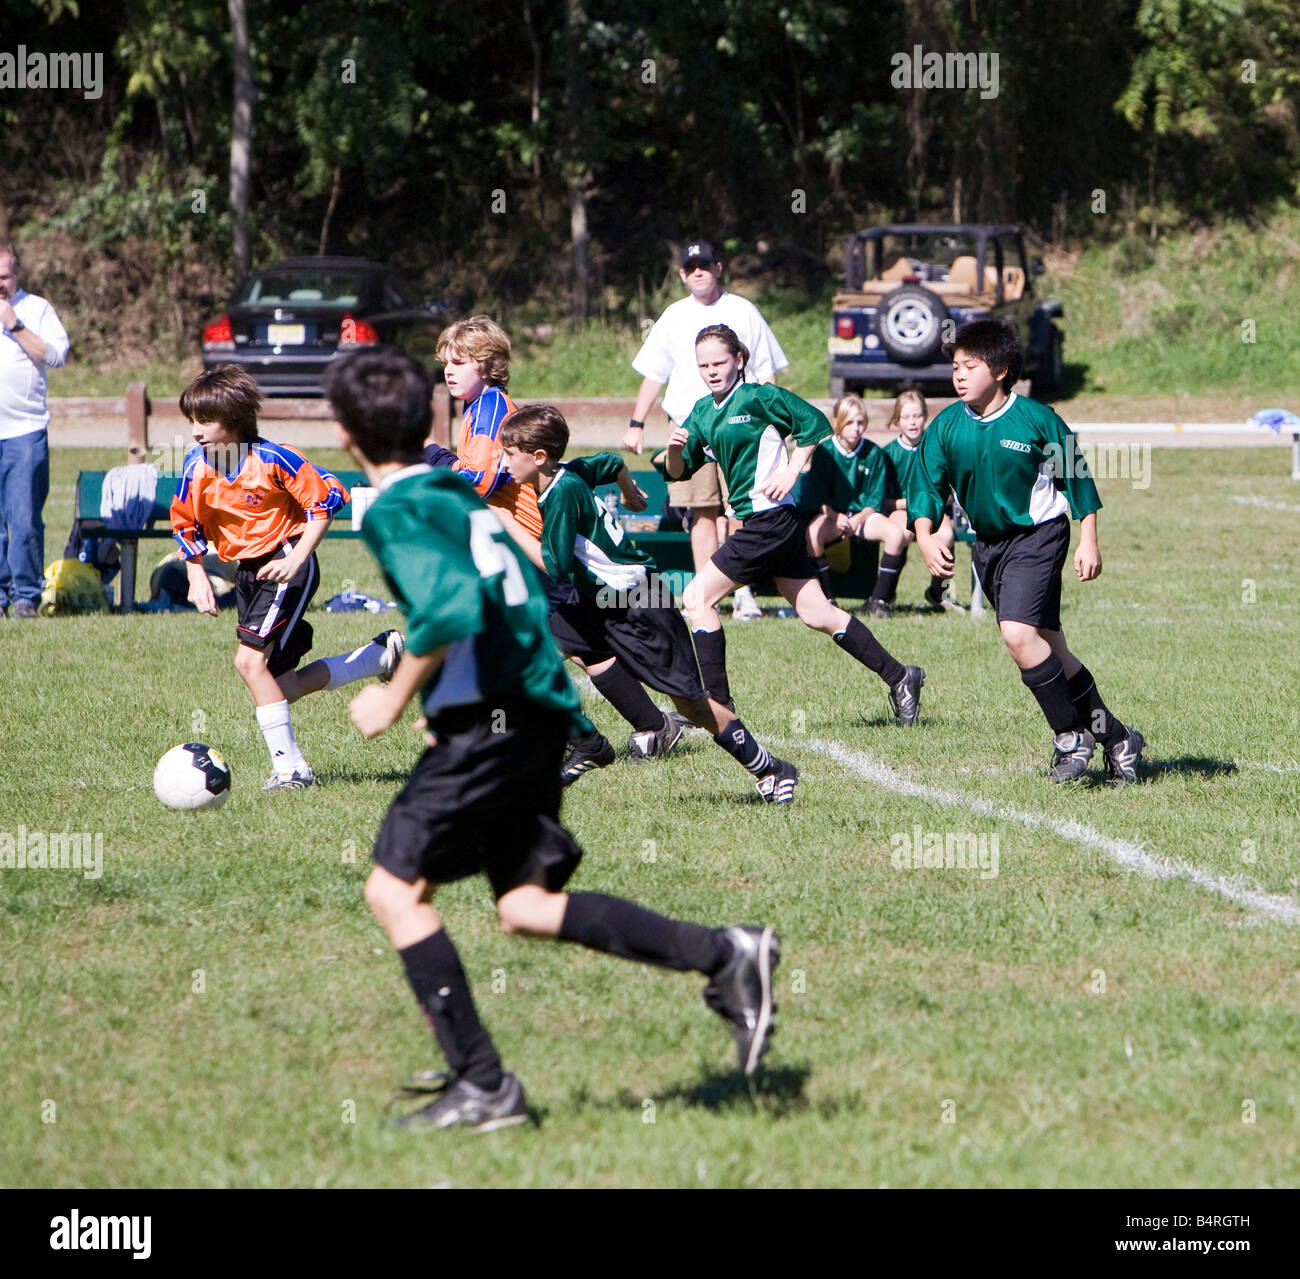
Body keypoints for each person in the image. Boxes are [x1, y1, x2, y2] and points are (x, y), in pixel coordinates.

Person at [324, 346, 781, 1132]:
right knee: (527, 904)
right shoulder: (452, 490)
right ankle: (727, 954)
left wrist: (396, 697)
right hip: (533, 711)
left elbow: (453, 606)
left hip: (494, 722)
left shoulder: (401, 505)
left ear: (343, 432)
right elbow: (511, 597)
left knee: (392, 891)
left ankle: (484, 1084)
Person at [500, 403, 799, 803]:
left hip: (640, 603)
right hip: (597, 599)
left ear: (538, 458)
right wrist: (629, 490)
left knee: (692, 704)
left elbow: (553, 566)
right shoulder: (567, 472)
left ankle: (771, 768)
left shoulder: (561, 493)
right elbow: (609, 462)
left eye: (508, 453)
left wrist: (505, 523)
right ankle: (587, 743)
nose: (503, 461)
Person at [433, 315, 678, 778]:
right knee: (582, 646)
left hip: (531, 549)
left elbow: (479, 483)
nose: (449, 369)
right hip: (523, 544)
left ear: (487, 365)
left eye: (459, 361)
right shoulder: (476, 408)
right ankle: (652, 725)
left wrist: (435, 462)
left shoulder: (488, 410)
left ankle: (576, 741)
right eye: (446, 361)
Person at [909, 318, 1144, 783]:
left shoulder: (1037, 420)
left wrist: (1088, 539)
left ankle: (1069, 737)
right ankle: (1117, 738)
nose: (958, 375)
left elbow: (1077, 479)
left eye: (969, 366)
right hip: (988, 547)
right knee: (1049, 645)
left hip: (1039, 537)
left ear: (998, 370)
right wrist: (925, 534)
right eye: (954, 366)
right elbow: (926, 488)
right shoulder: (947, 426)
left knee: (1018, 634)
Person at [657, 324, 925, 726]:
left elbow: (816, 424)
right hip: (762, 525)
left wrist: (792, 472)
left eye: (719, 362)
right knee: (818, 613)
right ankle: (902, 677)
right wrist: (674, 452)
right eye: (703, 365)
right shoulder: (701, 412)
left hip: (771, 521)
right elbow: (678, 471)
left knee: (697, 599)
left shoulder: (761, 397)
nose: (711, 371)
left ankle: (717, 705)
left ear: (739, 360)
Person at [170, 365, 404, 790]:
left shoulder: (274, 459)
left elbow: (325, 503)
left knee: (249, 663)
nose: (195, 432)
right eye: (191, 421)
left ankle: (290, 771)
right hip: (247, 572)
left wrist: (297, 556)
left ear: (236, 421)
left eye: (205, 421)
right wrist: (196, 575)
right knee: (279, 685)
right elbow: (186, 524)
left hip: (285, 563)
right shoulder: (196, 467)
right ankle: (379, 656)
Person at [626, 240, 787, 621]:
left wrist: (775, 418)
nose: (697, 272)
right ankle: (704, 592)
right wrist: (636, 422)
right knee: (702, 510)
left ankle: (744, 593)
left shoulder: (742, 311)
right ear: (682, 274)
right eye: (690, 267)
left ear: (718, 268)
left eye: (704, 265)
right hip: (689, 425)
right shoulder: (673, 316)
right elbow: (654, 374)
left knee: (738, 508)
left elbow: (766, 370)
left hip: (740, 425)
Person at [0, 243, 70, 619]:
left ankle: (25, 597)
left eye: (4, 276)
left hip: (24, 432)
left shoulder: (36, 309)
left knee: (24, 520)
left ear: (17, 274)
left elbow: (58, 356)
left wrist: (14, 324)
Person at [800, 394, 912, 618]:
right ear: (836, 423)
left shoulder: (873, 453)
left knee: (896, 534)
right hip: (833, 516)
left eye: (861, 422)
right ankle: (827, 600)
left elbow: (874, 501)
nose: (856, 428)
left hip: (863, 516)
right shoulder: (824, 452)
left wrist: (856, 519)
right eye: (849, 422)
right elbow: (820, 498)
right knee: (812, 534)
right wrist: (835, 516)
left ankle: (879, 601)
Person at [880, 390, 962, 614]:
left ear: (926, 417)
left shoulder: (936, 449)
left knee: (946, 535)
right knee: (901, 534)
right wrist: (912, 504)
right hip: (901, 510)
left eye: (917, 416)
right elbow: (884, 501)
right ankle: (883, 597)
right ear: (897, 419)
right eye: (906, 417)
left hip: (934, 511)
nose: (912, 422)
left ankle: (940, 593)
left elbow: (948, 491)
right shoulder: (888, 454)